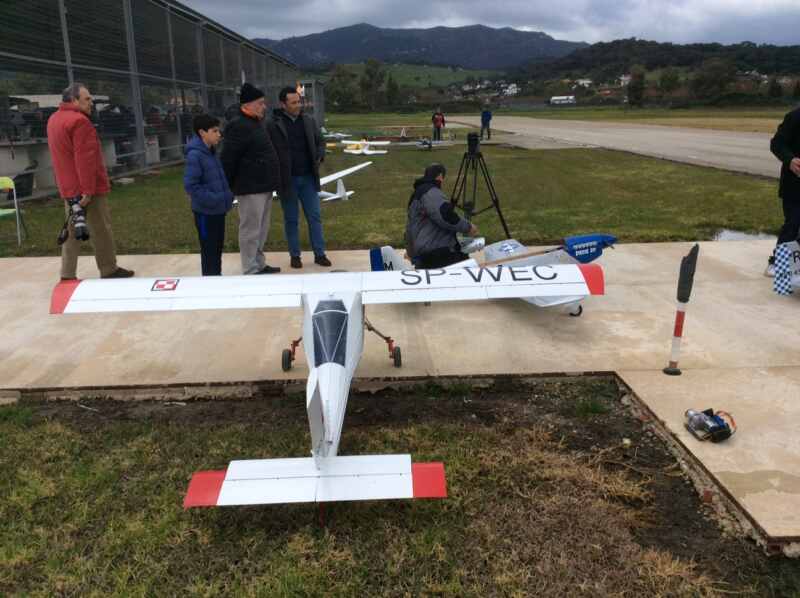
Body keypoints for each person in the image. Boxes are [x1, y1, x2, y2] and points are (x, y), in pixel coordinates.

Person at [47, 82, 133, 281]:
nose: (91, 103)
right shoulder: (80, 122)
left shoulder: (54, 119)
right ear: (74, 100)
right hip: (87, 188)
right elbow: (85, 159)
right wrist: (87, 190)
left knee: (71, 230)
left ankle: (67, 274)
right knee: (101, 228)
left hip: (68, 186)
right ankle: (109, 269)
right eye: (87, 99)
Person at [220, 82, 281, 274]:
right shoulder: (238, 125)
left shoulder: (255, 122)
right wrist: (228, 186)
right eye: (260, 103)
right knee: (250, 229)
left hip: (264, 185)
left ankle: (259, 263)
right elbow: (228, 158)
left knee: (262, 229)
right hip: (250, 187)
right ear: (248, 104)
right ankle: (250, 268)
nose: (264, 106)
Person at [266, 86, 330, 269]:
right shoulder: (273, 125)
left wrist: (320, 154)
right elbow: (268, 150)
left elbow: (320, 141)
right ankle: (295, 256)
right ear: (283, 104)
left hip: (308, 179)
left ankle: (320, 254)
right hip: (288, 181)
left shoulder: (308, 121)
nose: (298, 105)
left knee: (315, 217)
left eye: (299, 101)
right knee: (291, 220)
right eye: (293, 103)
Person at [184, 114, 233, 276]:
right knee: (209, 250)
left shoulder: (211, 152)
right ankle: (209, 280)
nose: (219, 134)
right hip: (205, 214)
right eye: (215, 131)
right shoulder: (195, 155)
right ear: (202, 133)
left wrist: (226, 196)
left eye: (219, 131)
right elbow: (191, 185)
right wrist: (214, 199)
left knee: (217, 248)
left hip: (218, 211)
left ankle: (216, 278)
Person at [405, 163, 478, 269]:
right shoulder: (431, 192)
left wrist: (411, 253)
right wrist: (468, 227)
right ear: (440, 176)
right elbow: (446, 215)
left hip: (424, 257)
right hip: (441, 254)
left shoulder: (416, 196)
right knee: (468, 271)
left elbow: (410, 229)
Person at [766, 105, 800, 277]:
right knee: (793, 224)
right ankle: (778, 263)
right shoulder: (795, 117)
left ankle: (795, 269)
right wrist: (790, 159)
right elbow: (777, 144)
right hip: (794, 185)